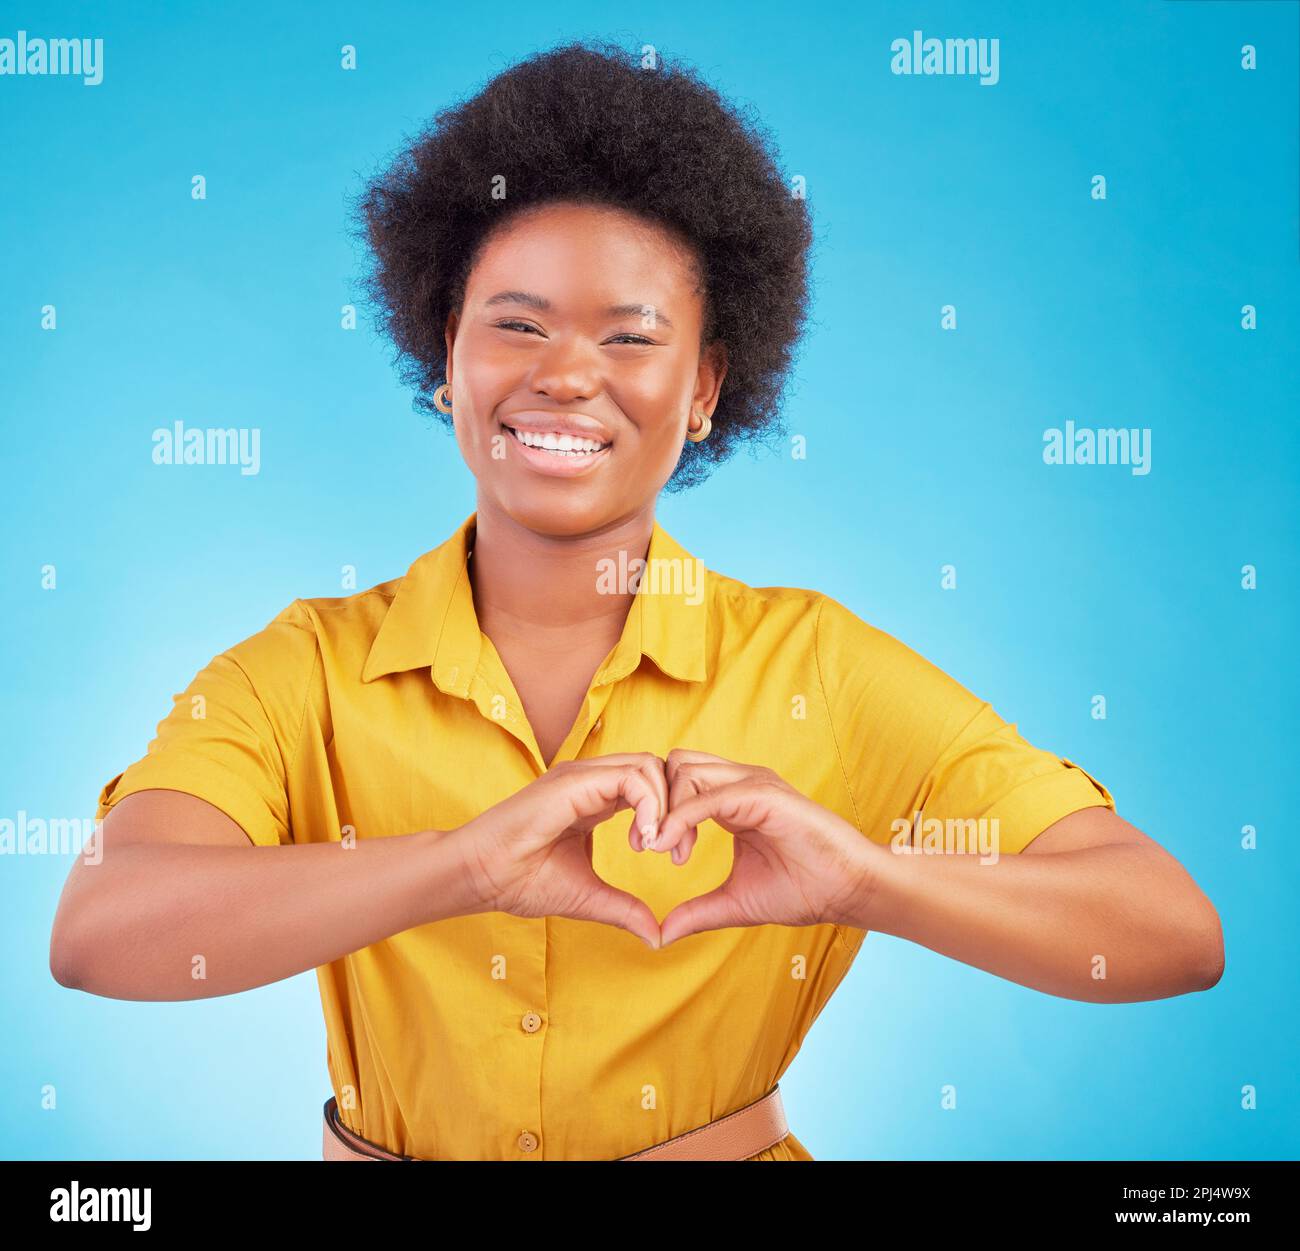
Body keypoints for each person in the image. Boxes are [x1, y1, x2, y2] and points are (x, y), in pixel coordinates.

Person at [50, 39, 1224, 1162]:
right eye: (515, 324)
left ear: (705, 387)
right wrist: (462, 865)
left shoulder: (820, 670)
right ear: (443, 352)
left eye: (630, 337)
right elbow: (103, 932)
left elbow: (1167, 931)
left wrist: (868, 879)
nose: (566, 374)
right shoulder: (300, 670)